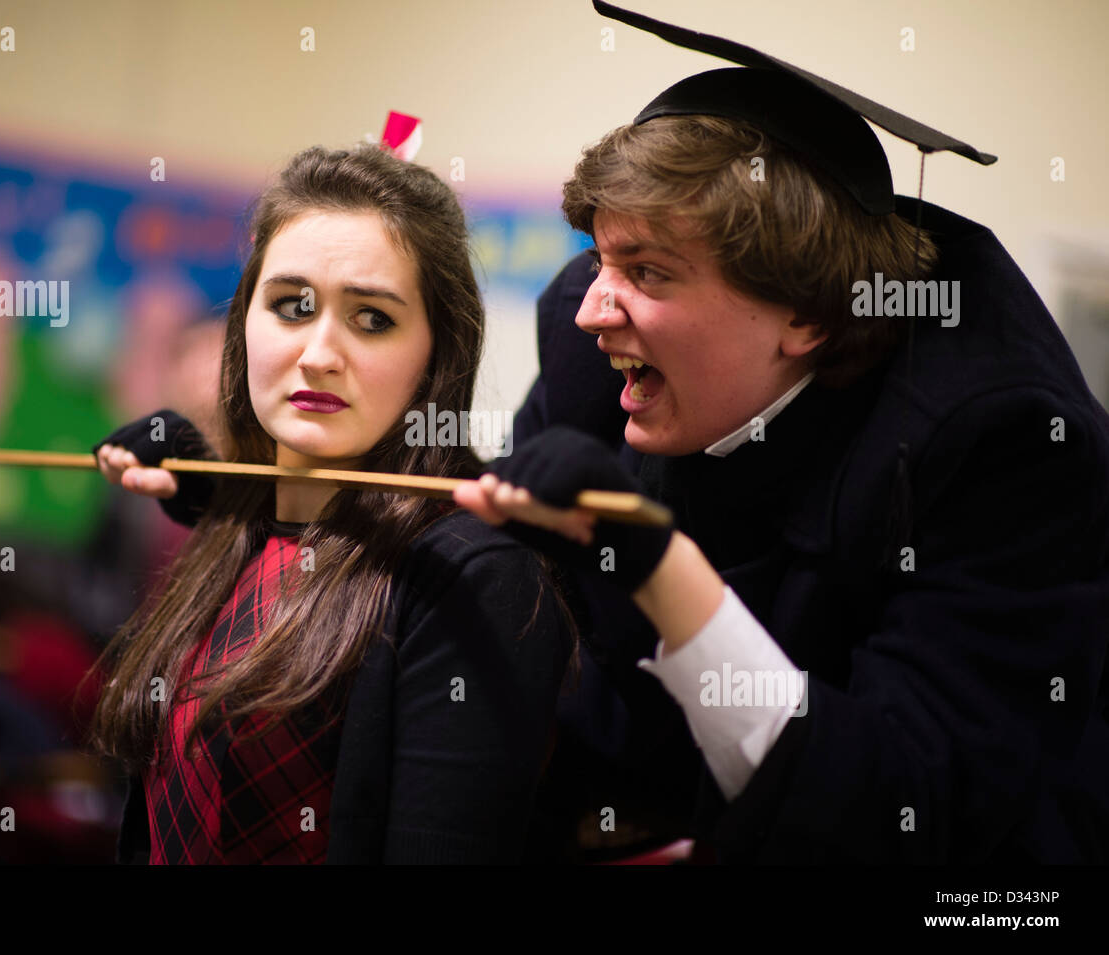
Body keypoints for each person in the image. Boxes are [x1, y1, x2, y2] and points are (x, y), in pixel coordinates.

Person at [453, 3, 1109, 863]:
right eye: (599, 258)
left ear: (805, 313)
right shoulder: (594, 359)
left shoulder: (1004, 443)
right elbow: (519, 618)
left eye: (647, 271)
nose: (590, 309)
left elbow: (916, 804)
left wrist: (663, 570)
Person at [86, 144, 573, 864]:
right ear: (243, 324)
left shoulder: (477, 579)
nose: (319, 352)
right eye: (291, 306)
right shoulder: (235, 530)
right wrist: (218, 485)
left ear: (436, 358)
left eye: (372, 318)